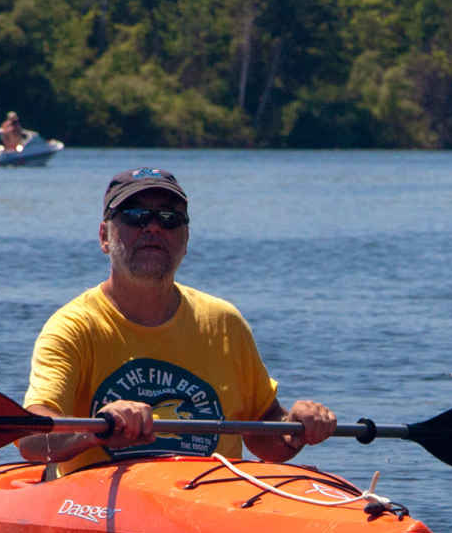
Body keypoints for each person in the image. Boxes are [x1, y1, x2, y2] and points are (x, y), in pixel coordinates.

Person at [19, 166, 335, 471]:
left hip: (211, 495)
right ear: (104, 236)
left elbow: (266, 436)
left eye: (170, 218)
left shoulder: (224, 322)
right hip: (103, 497)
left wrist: (296, 425)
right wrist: (97, 430)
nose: (153, 228)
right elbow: (31, 439)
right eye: (135, 216)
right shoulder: (72, 328)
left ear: (185, 239)